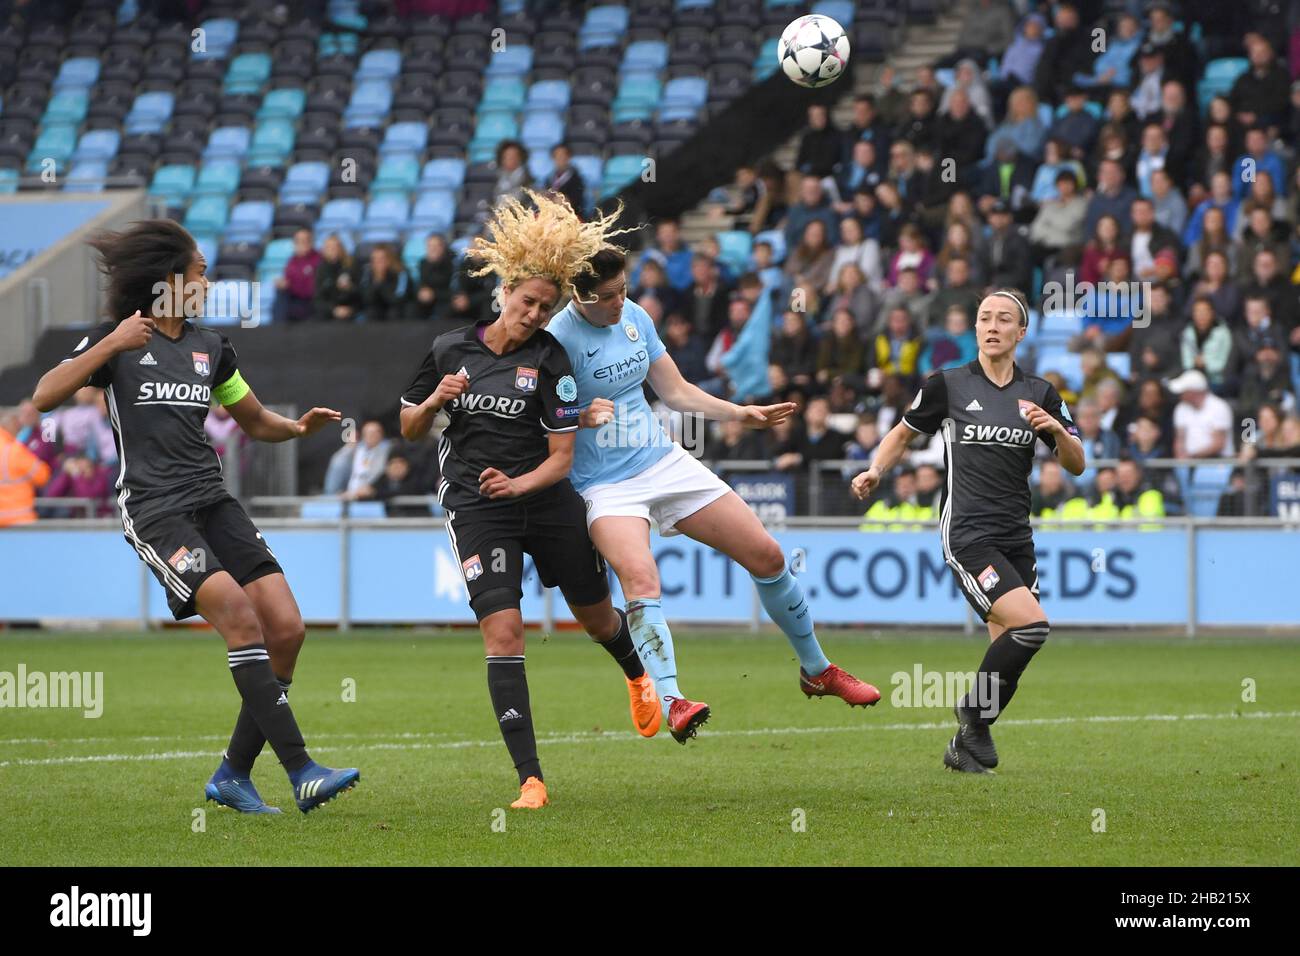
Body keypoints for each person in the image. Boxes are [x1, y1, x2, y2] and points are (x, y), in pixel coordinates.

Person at [30, 219, 358, 813]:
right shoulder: (120, 339)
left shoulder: (212, 348)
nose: (208, 281)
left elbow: (253, 419)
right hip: (155, 510)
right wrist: (109, 346)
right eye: (201, 270)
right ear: (170, 279)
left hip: (214, 501)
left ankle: (233, 773)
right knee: (239, 616)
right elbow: (45, 395)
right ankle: (302, 769)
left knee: (286, 628)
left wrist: (296, 427)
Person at [547, 243, 881, 744]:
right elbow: (538, 417)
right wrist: (580, 414)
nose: (622, 302)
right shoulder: (557, 340)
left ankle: (817, 669)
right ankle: (672, 700)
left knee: (767, 555)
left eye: (625, 290)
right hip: (604, 485)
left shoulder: (635, 316)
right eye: (611, 295)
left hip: (663, 462)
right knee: (641, 578)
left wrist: (738, 412)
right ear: (581, 294)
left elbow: (675, 390)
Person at [398, 191, 657, 809]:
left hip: (541, 497)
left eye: (546, 306)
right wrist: (437, 401)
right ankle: (531, 780)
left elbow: (563, 457)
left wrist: (520, 484)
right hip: (477, 504)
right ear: (505, 292)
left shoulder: (552, 359)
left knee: (596, 618)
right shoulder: (448, 350)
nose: (536, 313)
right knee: (504, 629)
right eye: (527, 302)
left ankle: (638, 674)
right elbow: (409, 426)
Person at [852, 289, 1084, 773]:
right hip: (967, 533)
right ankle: (973, 717)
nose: (992, 325)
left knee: (1009, 650)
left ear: (1022, 333)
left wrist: (1059, 433)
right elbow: (902, 433)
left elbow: (1077, 465)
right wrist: (877, 471)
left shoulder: (1040, 394)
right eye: (984, 318)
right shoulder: (948, 384)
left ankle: (965, 742)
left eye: (1004, 319)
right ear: (976, 329)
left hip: (1016, 536)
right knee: (1033, 627)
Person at [272, 228, 321, 323]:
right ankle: (277, 329)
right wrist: (284, 284)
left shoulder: (318, 259)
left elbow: (313, 287)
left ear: (311, 242)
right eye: (298, 241)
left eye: (305, 241)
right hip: (295, 300)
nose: (301, 244)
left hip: (311, 301)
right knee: (281, 293)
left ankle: (278, 328)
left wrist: (291, 286)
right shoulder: (292, 261)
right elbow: (289, 279)